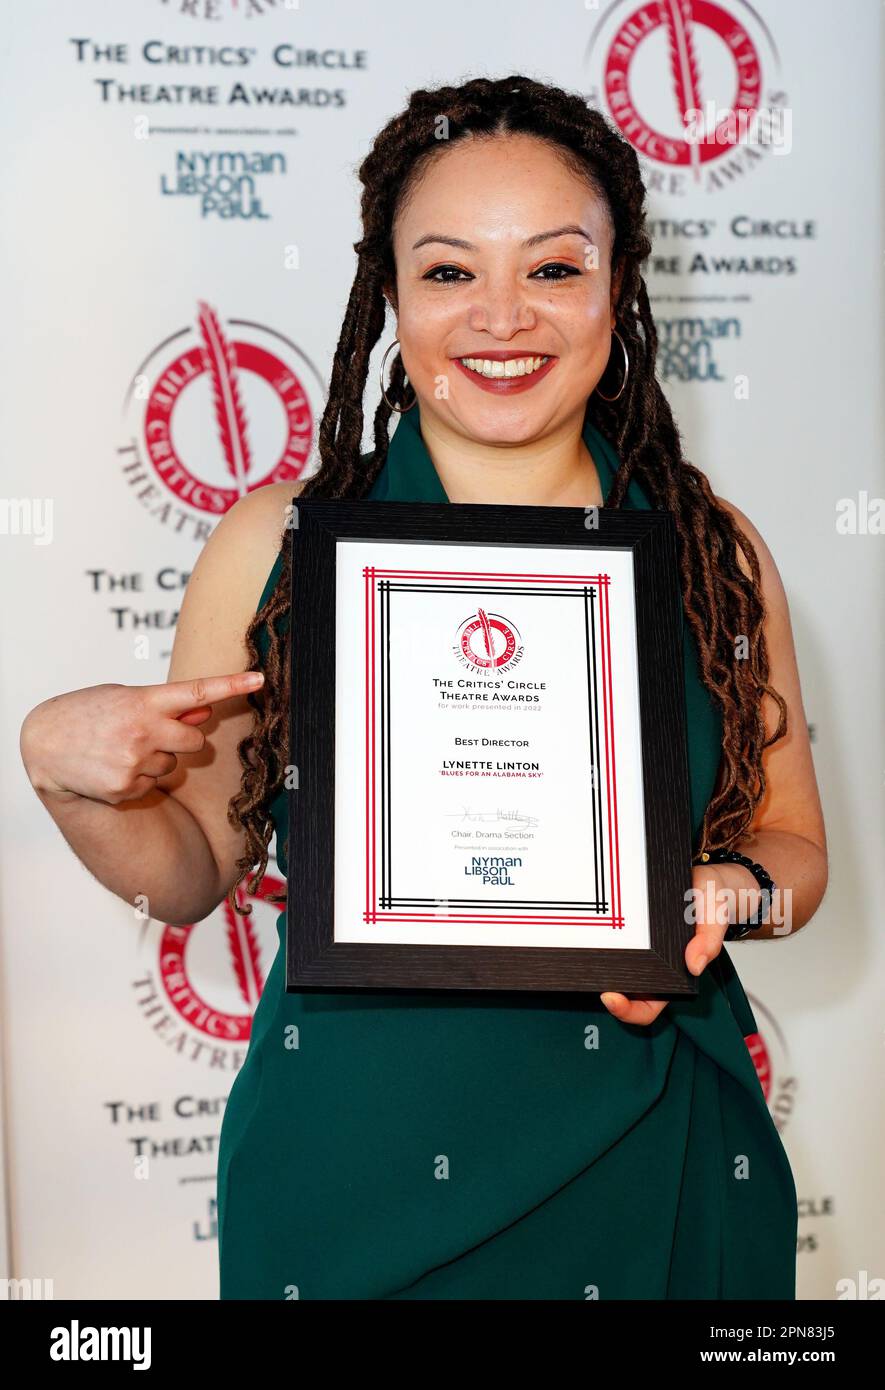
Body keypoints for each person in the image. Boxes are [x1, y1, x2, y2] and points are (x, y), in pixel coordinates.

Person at [20, 75, 827, 1300]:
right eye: (450, 271)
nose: (504, 316)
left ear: (619, 286)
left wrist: (732, 892)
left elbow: (797, 862)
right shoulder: (272, 549)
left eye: (555, 269)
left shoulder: (714, 553)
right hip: (351, 1170)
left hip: (655, 1147)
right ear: (390, 294)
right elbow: (192, 870)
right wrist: (71, 781)